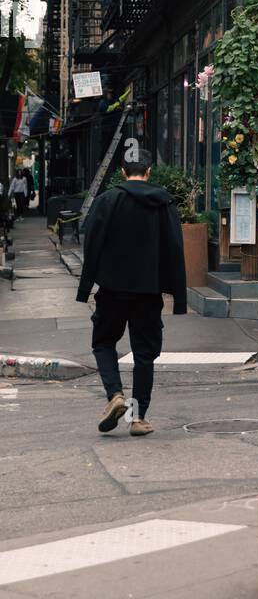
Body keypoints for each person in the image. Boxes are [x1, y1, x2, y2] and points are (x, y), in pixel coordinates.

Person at [76, 148, 187, 437]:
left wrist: (86, 287)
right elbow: (175, 248)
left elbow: (92, 244)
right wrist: (178, 296)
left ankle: (115, 394)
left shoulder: (107, 201)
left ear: (123, 172)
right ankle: (138, 418)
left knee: (103, 342)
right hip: (148, 292)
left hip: (112, 290)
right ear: (149, 171)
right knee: (144, 355)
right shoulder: (164, 202)